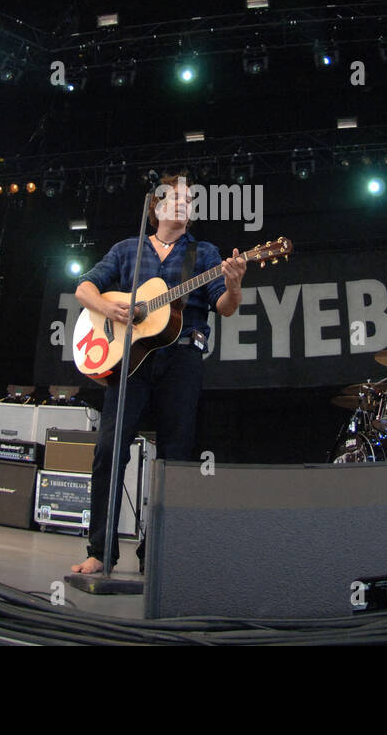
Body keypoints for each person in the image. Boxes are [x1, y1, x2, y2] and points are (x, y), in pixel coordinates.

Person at [70, 174, 247, 576]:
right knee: (109, 450)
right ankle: (100, 551)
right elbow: (84, 288)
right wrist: (109, 308)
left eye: (191, 199)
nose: (186, 203)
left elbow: (225, 306)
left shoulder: (203, 252)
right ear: (157, 207)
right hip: (131, 359)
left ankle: (159, 552)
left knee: (176, 456)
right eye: (178, 197)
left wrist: (234, 285)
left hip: (182, 358)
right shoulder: (126, 249)